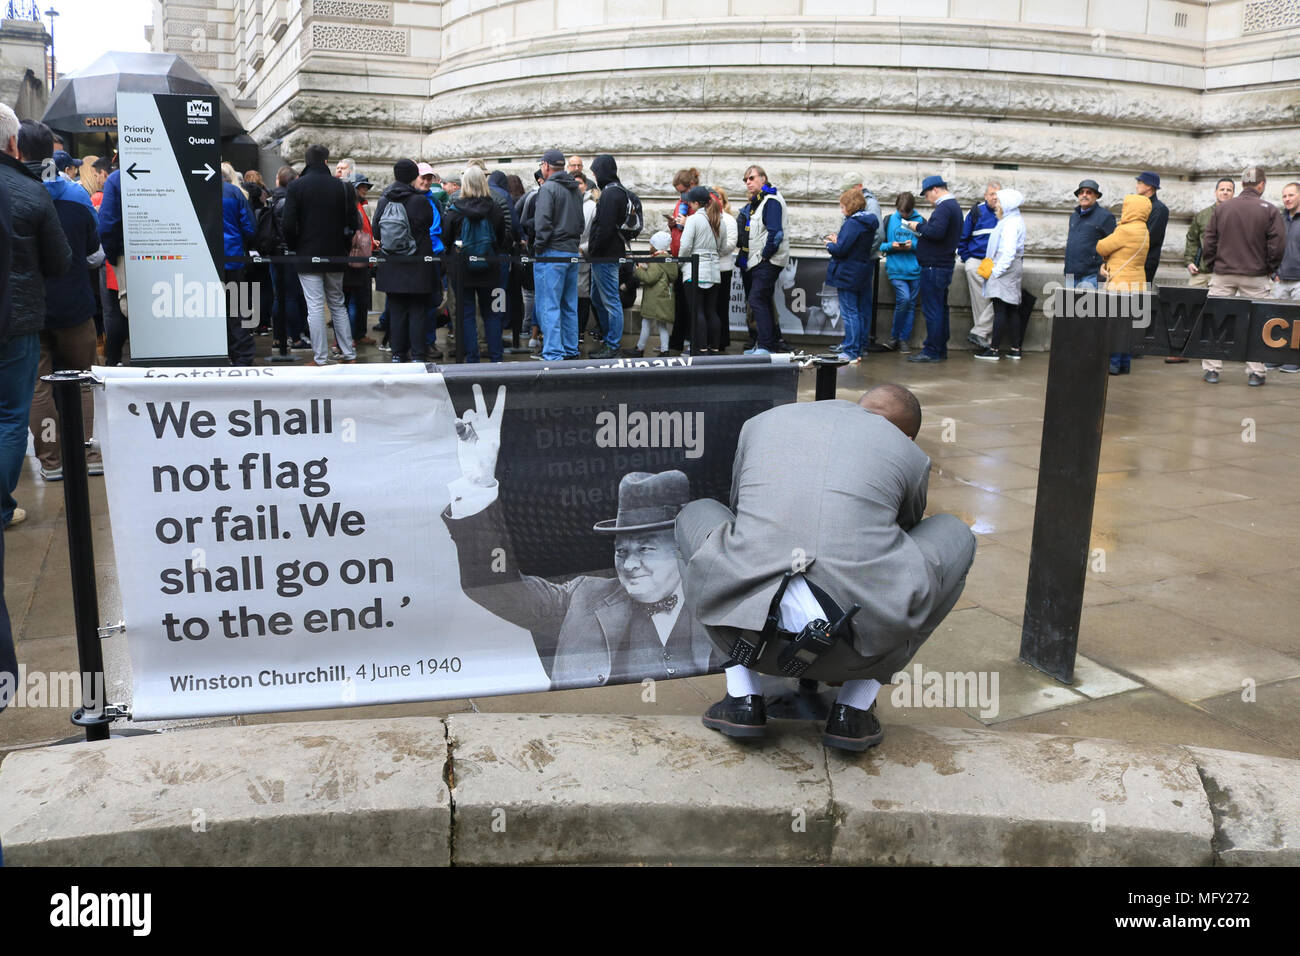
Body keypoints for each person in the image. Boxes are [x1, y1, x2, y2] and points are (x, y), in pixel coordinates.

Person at [676, 384, 976, 751]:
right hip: (856, 650)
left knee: (695, 514)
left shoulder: (762, 423)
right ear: (909, 435)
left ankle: (742, 698)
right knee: (956, 534)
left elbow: (741, 508)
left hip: (741, 633)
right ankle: (854, 709)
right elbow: (906, 531)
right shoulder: (908, 453)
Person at [443, 384, 720, 688]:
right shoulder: (581, 599)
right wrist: (478, 484)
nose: (629, 565)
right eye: (622, 551)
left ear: (681, 548)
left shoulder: (724, 602)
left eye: (645, 549)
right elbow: (493, 587)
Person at [0, 109, 74, 529]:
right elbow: (61, 260)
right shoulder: (30, 192)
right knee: (10, 415)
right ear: (13, 144)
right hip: (18, 318)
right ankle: (2, 507)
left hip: (20, 319)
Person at [27, 118, 105, 482]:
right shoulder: (77, 199)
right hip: (74, 305)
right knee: (85, 379)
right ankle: (88, 451)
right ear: (55, 156)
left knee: (39, 384)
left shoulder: (14, 194)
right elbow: (95, 255)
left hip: (29, 309)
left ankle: (52, 458)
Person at [1200, 166, 1285, 387]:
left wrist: (1212, 264)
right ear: (1262, 185)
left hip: (1223, 273)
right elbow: (1277, 246)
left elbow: (1209, 241)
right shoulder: (1269, 210)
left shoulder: (1223, 208)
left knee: (1216, 321)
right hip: (1255, 275)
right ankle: (1256, 372)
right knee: (1258, 323)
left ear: (1242, 184)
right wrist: (1269, 268)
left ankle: (1212, 370)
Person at [282, 145, 359, 366]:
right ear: (326, 162)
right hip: (336, 254)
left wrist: (295, 245)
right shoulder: (343, 188)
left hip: (307, 254)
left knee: (314, 306)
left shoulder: (296, 187)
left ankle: (321, 358)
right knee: (338, 303)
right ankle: (349, 353)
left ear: (307, 162)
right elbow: (353, 223)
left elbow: (288, 224)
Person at [372, 159, 437, 363]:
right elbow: (429, 224)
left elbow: (376, 230)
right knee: (418, 311)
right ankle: (418, 354)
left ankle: (398, 353)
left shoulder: (384, 200)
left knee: (397, 311)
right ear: (412, 176)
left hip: (391, 265)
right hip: (417, 264)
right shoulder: (419, 201)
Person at [444, 166, 509, 363]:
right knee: (492, 314)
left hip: (462, 269)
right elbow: (503, 239)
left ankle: (472, 358)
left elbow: (445, 238)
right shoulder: (495, 209)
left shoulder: (455, 211)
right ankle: (496, 357)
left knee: (466, 315)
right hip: (490, 268)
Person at [903, 175, 963, 363]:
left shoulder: (944, 207)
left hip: (934, 266)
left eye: (927, 194)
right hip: (941, 265)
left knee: (933, 310)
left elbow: (936, 232)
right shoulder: (952, 207)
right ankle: (939, 348)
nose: (927, 199)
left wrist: (917, 226)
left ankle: (932, 350)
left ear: (935, 190)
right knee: (940, 309)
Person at [531, 148, 583, 361]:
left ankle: (553, 352)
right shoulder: (575, 189)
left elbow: (542, 223)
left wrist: (539, 247)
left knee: (548, 304)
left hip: (552, 253)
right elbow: (581, 223)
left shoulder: (548, 189)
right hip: (571, 251)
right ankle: (570, 349)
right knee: (569, 304)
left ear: (545, 166)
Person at [1096, 193, 1151, 375]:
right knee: (1127, 327)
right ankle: (1125, 364)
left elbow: (1102, 246)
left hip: (1120, 285)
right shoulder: (1144, 230)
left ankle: (1113, 363)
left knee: (1115, 326)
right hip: (1137, 284)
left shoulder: (1125, 230)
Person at [824, 187, 878, 365]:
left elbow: (841, 250)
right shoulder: (868, 222)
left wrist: (829, 245)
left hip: (847, 273)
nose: (842, 210)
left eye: (842, 206)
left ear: (850, 205)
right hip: (861, 270)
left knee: (849, 313)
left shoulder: (852, 223)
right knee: (860, 311)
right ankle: (859, 347)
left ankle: (851, 351)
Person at [972, 188, 1027, 361]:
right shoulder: (1014, 219)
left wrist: (996, 271)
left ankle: (994, 349)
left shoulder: (1010, 223)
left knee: (1000, 309)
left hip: (1005, 268)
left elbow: (1008, 251)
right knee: (1012, 309)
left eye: (1000, 202)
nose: (997, 205)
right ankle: (1015, 348)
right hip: (1011, 267)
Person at [740, 164, 789, 355]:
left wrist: (764, 256)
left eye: (751, 178)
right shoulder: (762, 201)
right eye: (745, 180)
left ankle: (766, 346)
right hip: (762, 260)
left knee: (756, 299)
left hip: (767, 261)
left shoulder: (771, 201)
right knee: (763, 299)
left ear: (763, 178)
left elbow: (776, 234)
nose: (748, 182)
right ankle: (767, 343)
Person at [587, 154, 632, 359]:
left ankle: (612, 344)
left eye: (596, 171)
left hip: (605, 256)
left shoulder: (610, 194)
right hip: (608, 254)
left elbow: (604, 228)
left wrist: (593, 250)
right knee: (598, 297)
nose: (595, 176)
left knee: (610, 300)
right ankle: (609, 340)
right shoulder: (617, 191)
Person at [678, 185, 729, 354]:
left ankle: (699, 346)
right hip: (714, 271)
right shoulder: (719, 220)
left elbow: (685, 246)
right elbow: (722, 247)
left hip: (695, 270)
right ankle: (714, 346)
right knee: (711, 310)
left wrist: (680, 262)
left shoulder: (693, 220)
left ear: (694, 203)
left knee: (697, 310)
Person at [219, 162, 257, 365]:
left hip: (206, 261)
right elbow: (250, 227)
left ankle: (217, 352)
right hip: (233, 258)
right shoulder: (234, 192)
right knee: (238, 309)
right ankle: (242, 356)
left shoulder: (196, 192)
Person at [958, 181, 1001, 348]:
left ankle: (979, 332)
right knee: (981, 301)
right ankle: (985, 342)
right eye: (992, 194)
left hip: (997, 263)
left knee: (999, 298)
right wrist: (967, 258)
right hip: (976, 261)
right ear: (985, 196)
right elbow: (963, 238)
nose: (995, 198)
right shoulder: (976, 212)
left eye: (997, 195)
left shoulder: (1005, 213)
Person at [881, 191, 923, 352]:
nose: (904, 214)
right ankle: (894, 337)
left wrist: (911, 245)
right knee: (904, 300)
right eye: (901, 211)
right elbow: (881, 245)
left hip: (914, 270)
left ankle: (902, 339)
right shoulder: (889, 220)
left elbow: (924, 246)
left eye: (907, 212)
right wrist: (892, 246)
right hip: (896, 269)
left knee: (910, 305)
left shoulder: (919, 221)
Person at [1064, 179, 1116, 290]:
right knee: (1068, 307)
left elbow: (1113, 246)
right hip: (1070, 274)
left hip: (1091, 275)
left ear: (1096, 196)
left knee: (1087, 307)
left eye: (1089, 192)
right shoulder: (1074, 216)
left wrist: (1104, 267)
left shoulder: (1105, 217)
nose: (1084, 195)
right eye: (1081, 192)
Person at [343, 174, 377, 347]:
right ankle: (351, 337)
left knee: (360, 299)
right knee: (354, 299)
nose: (364, 189)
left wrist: (371, 242)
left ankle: (358, 334)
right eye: (361, 186)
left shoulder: (360, 206)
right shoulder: (351, 208)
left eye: (366, 186)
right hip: (354, 259)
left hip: (362, 257)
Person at [635, 231, 677, 356]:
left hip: (654, 299)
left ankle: (639, 349)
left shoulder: (656, 260)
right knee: (662, 325)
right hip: (663, 298)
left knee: (646, 323)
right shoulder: (668, 259)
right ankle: (665, 350)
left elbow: (650, 278)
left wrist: (639, 270)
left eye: (651, 244)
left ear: (656, 246)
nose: (650, 247)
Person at [713, 187, 740, 351]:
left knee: (721, 307)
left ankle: (722, 341)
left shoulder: (729, 220)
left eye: (720, 199)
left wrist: (713, 252)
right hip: (710, 268)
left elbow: (730, 244)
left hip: (723, 269)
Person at [1135, 171, 1168, 285]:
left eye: (1140, 182)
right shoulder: (1138, 205)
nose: (1136, 185)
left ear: (1149, 186)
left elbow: (1150, 236)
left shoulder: (1159, 209)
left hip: (1145, 261)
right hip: (1133, 259)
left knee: (1139, 299)